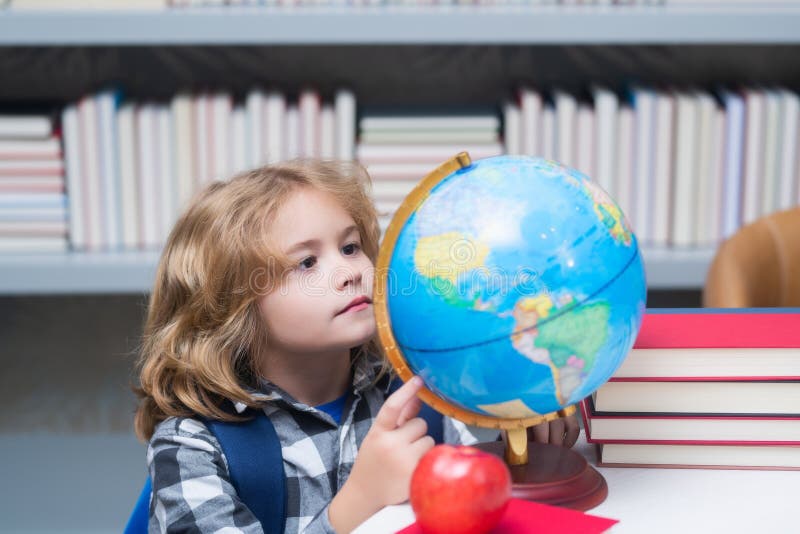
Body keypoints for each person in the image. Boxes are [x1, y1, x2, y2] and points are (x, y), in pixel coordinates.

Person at [134, 159, 579, 534]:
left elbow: (474, 510)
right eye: (306, 262)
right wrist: (359, 502)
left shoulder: (413, 400)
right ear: (231, 306)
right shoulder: (192, 447)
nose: (349, 272)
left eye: (350, 247)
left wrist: (520, 441)